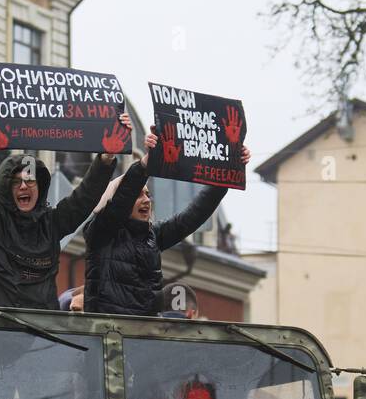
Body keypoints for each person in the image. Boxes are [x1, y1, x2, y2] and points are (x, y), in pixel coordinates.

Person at [0, 105, 126, 309]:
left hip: (42, 333)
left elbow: (84, 198)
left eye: (30, 180)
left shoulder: (52, 224)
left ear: (40, 187)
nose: (23, 186)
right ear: (5, 188)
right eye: (15, 181)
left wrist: (105, 158)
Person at [84, 126, 249, 316]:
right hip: (108, 334)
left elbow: (193, 215)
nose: (147, 200)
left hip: (145, 336)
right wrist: (147, 163)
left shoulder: (152, 236)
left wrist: (228, 172)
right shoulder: (101, 233)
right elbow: (122, 198)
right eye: (138, 195)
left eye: (148, 194)